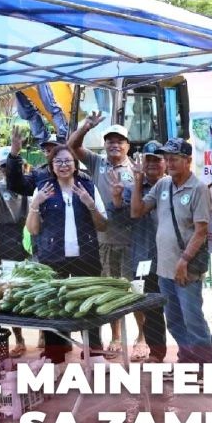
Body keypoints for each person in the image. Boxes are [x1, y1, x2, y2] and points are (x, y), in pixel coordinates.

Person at [131, 138, 212, 377]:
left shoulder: (198, 188)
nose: (169, 163)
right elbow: (136, 211)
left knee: (193, 319)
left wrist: (184, 261)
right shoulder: (163, 185)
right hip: (164, 268)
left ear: (188, 161)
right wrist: (138, 180)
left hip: (186, 268)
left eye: (174, 158)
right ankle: (188, 362)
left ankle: (207, 368)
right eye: (167, 159)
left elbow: (201, 231)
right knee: (174, 320)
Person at [25, 145, 108, 365]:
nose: (63, 165)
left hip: (86, 256)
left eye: (67, 161)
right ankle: (55, 356)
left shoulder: (88, 186)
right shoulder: (43, 189)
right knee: (55, 305)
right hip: (53, 257)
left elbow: (102, 225)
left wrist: (90, 205)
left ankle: (95, 353)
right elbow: (32, 230)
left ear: (75, 164)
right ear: (51, 166)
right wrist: (35, 205)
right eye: (58, 162)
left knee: (90, 303)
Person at [69, 112, 138, 358]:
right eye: (110, 140)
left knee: (137, 290)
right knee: (110, 289)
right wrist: (86, 126)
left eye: (120, 140)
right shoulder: (98, 163)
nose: (114, 144)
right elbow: (72, 146)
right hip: (105, 239)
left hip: (133, 240)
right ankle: (117, 336)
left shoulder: (136, 168)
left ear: (127, 145)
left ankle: (142, 337)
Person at [118, 141, 168, 363]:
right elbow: (126, 219)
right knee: (151, 308)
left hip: (172, 258)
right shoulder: (133, 189)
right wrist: (122, 195)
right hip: (144, 258)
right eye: (148, 159)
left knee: (179, 309)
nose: (152, 164)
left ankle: (191, 354)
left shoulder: (172, 186)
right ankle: (157, 353)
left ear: (165, 162)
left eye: (157, 159)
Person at [0, 128, 30, 356]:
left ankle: (43, 333)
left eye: (12, 166)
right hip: (8, 237)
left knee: (36, 284)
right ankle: (19, 338)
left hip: (31, 235)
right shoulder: (1, 187)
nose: (8, 170)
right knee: (11, 289)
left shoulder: (29, 185)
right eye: (4, 167)